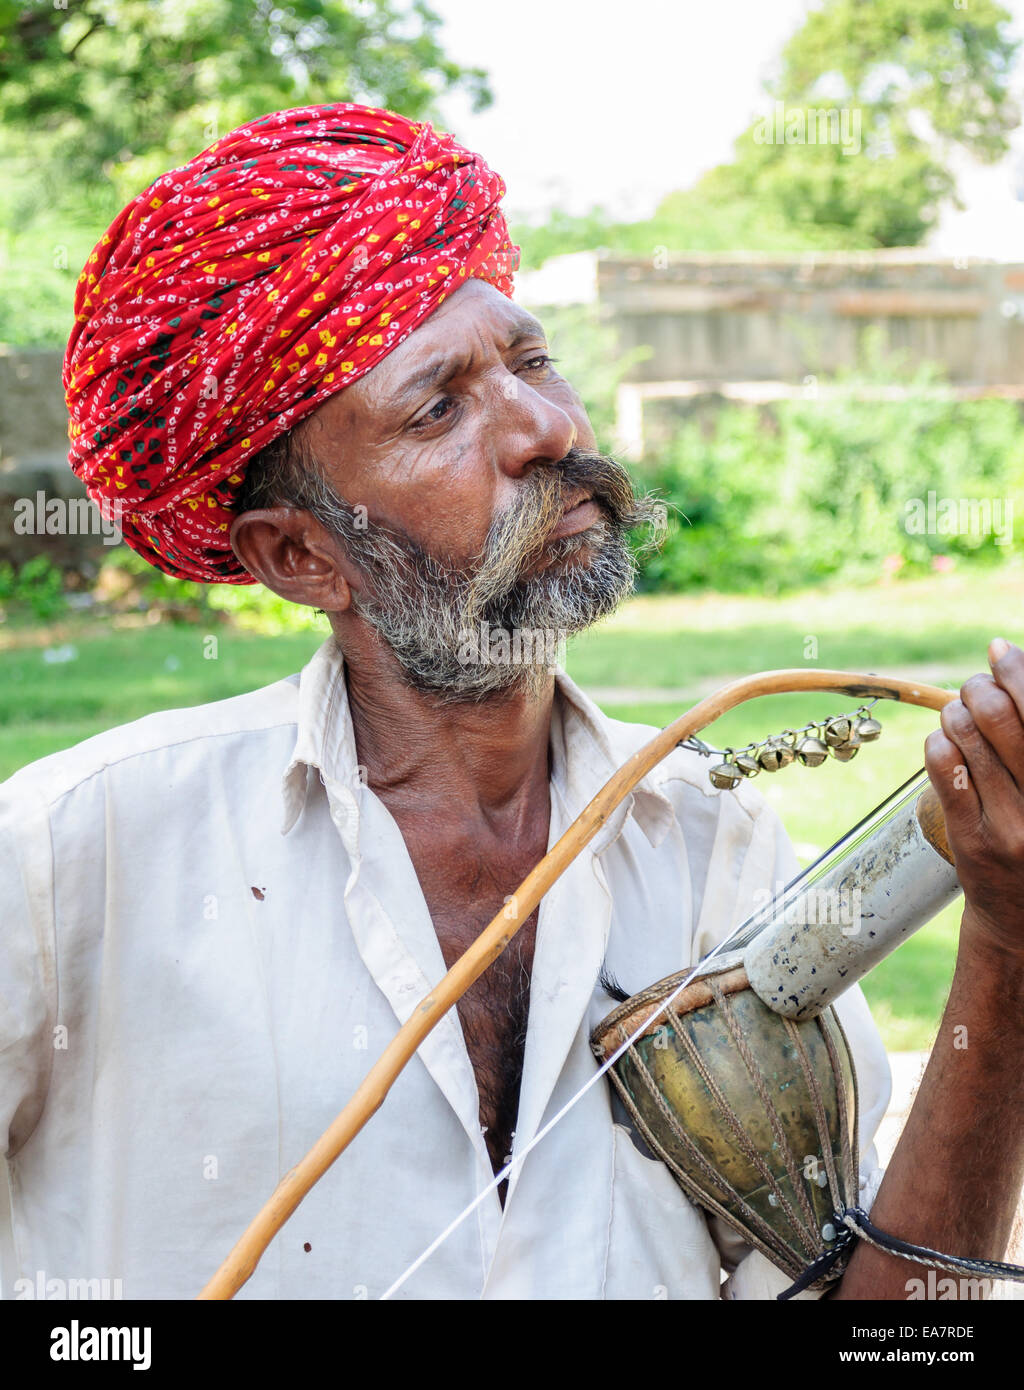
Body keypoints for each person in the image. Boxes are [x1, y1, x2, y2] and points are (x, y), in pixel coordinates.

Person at [1, 103, 1022, 1302]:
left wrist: (1004, 939)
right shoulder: (83, 851)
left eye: (531, 364)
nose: (547, 428)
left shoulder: (712, 846)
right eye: (438, 408)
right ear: (298, 558)